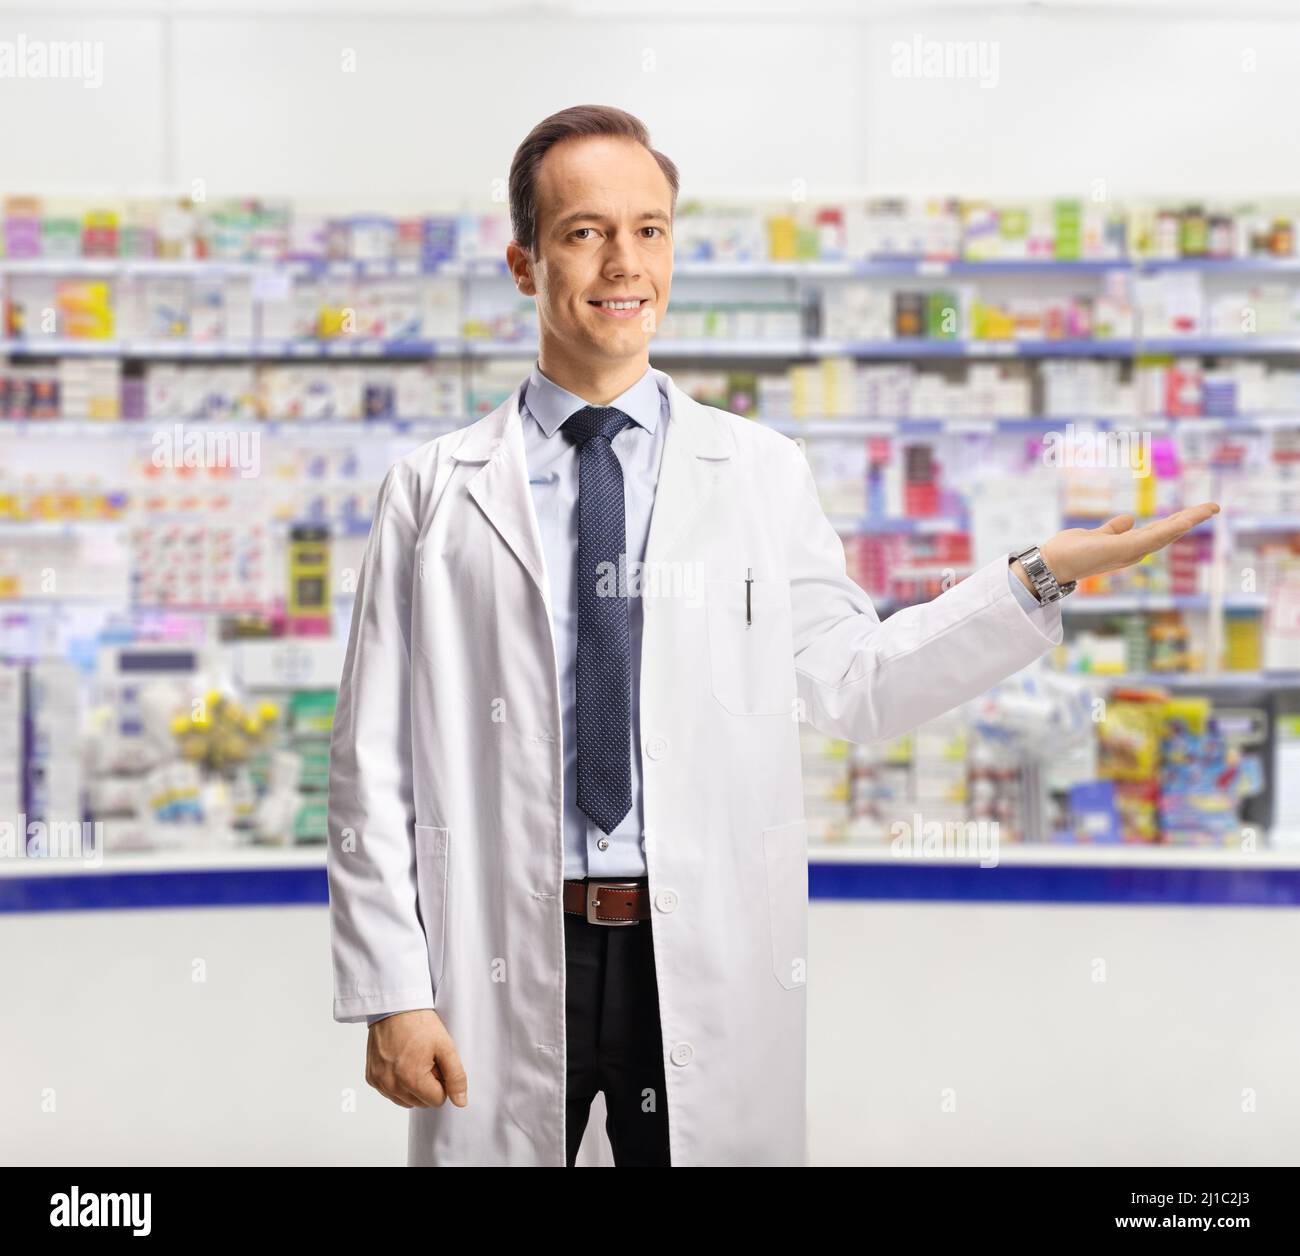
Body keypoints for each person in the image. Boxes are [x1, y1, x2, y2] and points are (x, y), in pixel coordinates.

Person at [326, 104, 1219, 1167]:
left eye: (650, 229)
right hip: (505, 947)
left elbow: (857, 682)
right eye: (584, 232)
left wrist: (1034, 577)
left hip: (694, 944)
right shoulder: (433, 491)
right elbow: (371, 765)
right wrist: (392, 987)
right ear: (524, 264)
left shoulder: (757, 472)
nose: (624, 261)